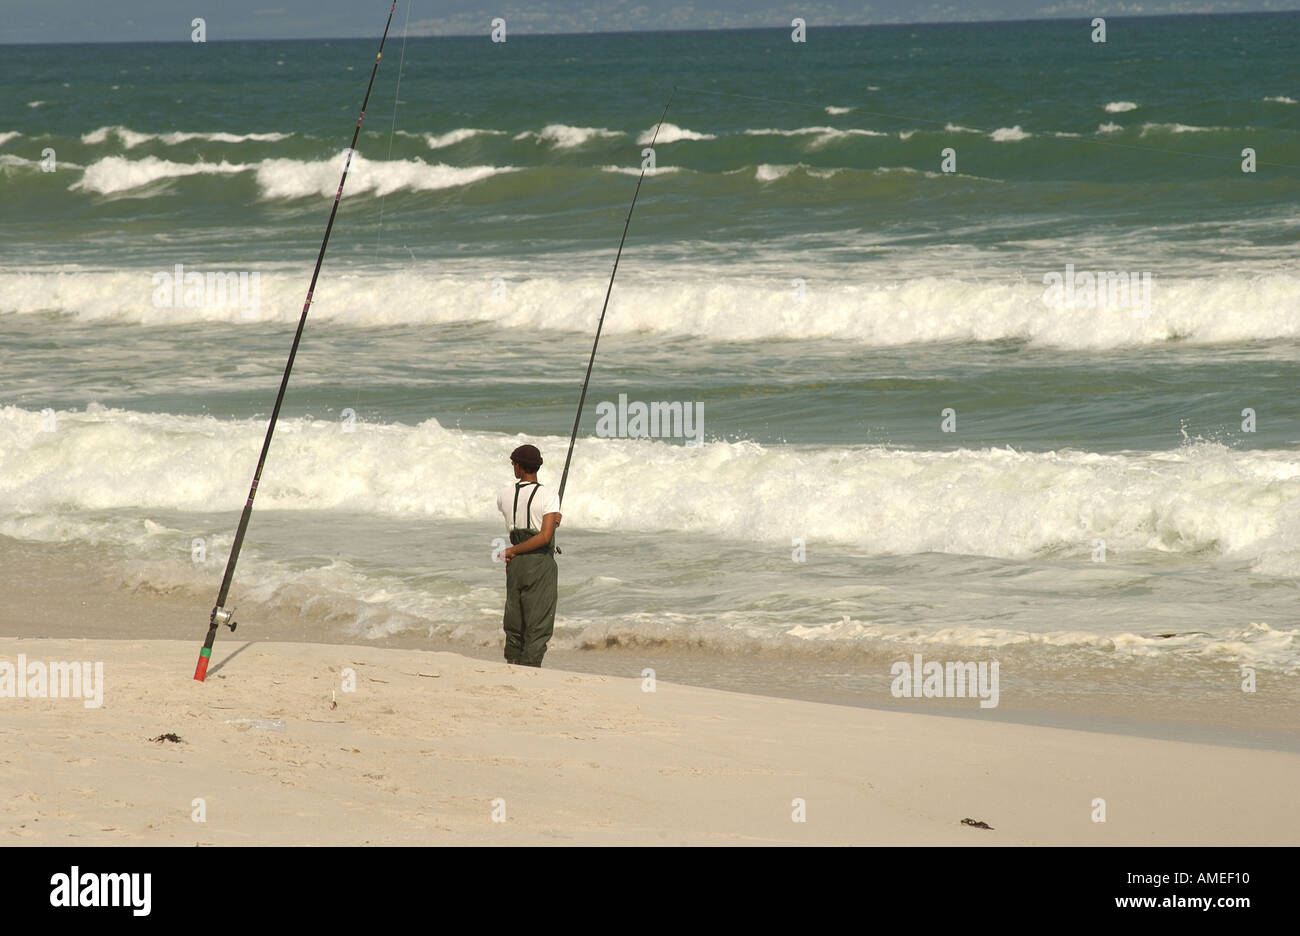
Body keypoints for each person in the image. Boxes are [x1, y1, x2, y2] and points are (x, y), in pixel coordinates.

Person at [496, 444, 562, 666]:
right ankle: (530, 671)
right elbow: (544, 537)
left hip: (516, 566)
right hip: (539, 564)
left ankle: (512, 665)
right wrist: (552, 521)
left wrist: (514, 550)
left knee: (515, 622)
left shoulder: (504, 495)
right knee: (538, 624)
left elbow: (519, 518)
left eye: (514, 464)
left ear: (519, 467)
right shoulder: (549, 495)